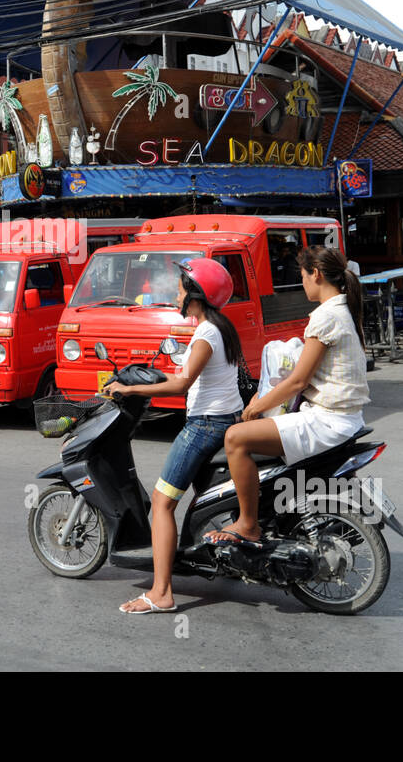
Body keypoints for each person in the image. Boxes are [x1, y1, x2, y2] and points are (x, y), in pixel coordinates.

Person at [104, 258, 244, 614]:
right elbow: (187, 372)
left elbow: (183, 383)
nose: (177, 292)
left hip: (206, 425)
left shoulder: (207, 332)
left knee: (163, 502)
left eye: (182, 287)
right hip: (225, 419)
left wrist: (130, 390)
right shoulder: (220, 326)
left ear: (196, 294)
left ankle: (161, 593)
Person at [206, 245, 369, 547]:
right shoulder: (345, 309)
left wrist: (255, 408)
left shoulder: (325, 317)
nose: (303, 282)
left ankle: (247, 524)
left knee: (235, 438)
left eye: (304, 276)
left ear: (316, 275)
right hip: (344, 416)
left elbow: (298, 381)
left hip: (328, 420)